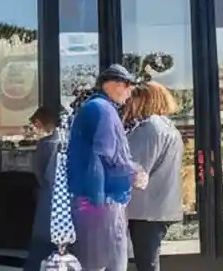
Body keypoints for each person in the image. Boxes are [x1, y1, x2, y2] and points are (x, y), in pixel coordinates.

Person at [66, 64, 140, 271]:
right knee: (110, 263)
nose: (130, 92)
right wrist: (134, 172)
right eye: (128, 86)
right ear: (113, 84)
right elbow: (109, 155)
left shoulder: (93, 107)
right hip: (103, 200)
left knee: (94, 262)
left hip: (90, 199)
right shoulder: (103, 110)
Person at [122, 82, 183, 271]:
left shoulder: (149, 128)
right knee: (148, 260)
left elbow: (133, 167)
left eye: (132, 98)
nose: (127, 103)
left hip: (145, 208)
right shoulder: (168, 126)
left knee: (146, 262)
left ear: (144, 100)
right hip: (158, 206)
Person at [24, 105, 64, 271]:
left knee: (40, 243)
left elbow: (39, 174)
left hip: (47, 199)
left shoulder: (45, 145)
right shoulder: (64, 141)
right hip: (61, 203)